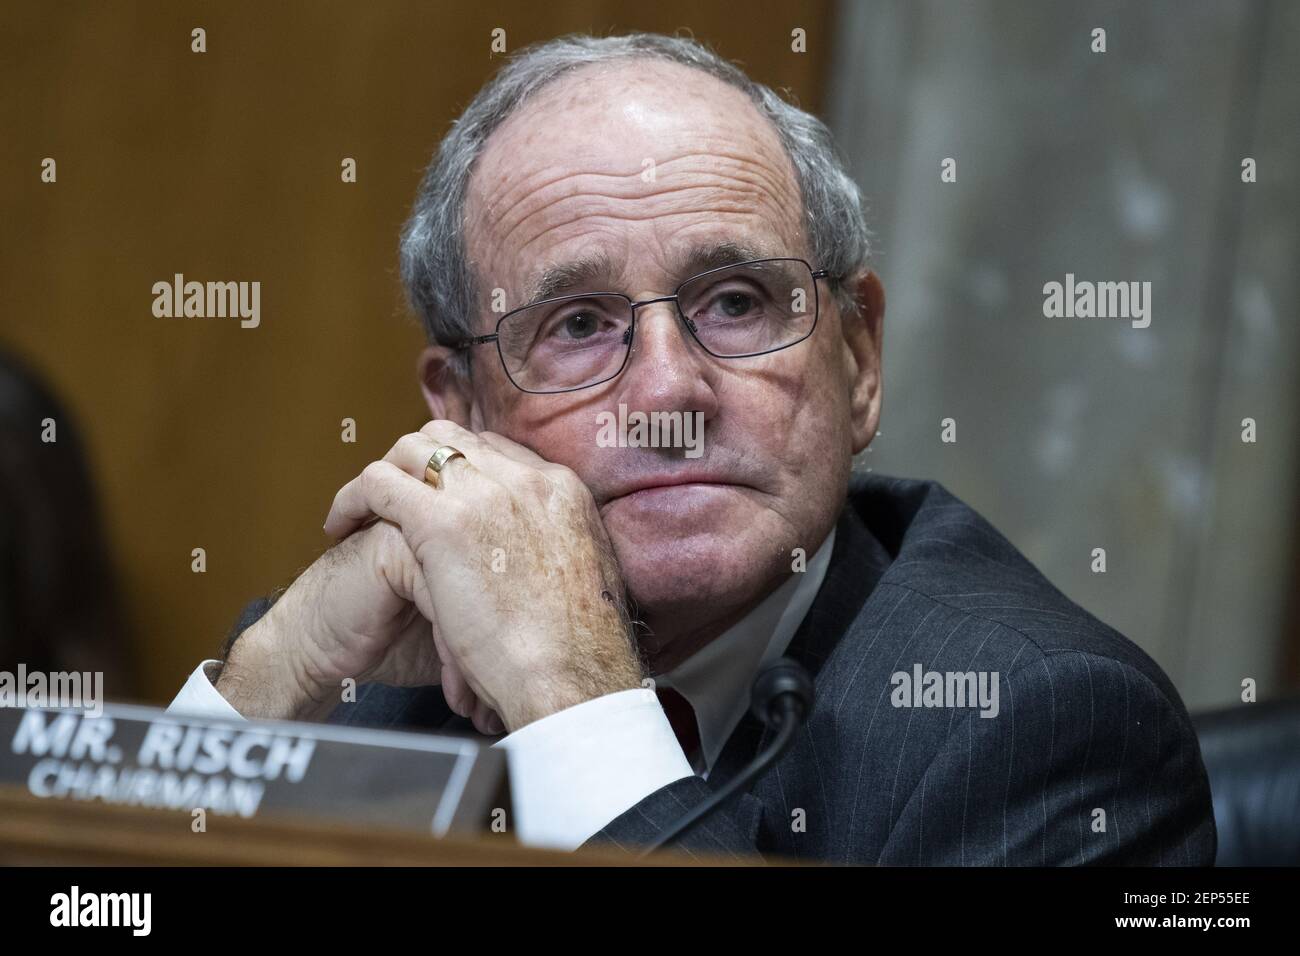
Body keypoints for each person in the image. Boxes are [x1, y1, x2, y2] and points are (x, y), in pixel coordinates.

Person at [169, 33, 1215, 864]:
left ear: (856, 360)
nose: (669, 388)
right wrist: (276, 673)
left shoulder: (1041, 729)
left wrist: (570, 696)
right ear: (463, 413)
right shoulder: (360, 683)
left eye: (736, 300)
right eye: (577, 323)